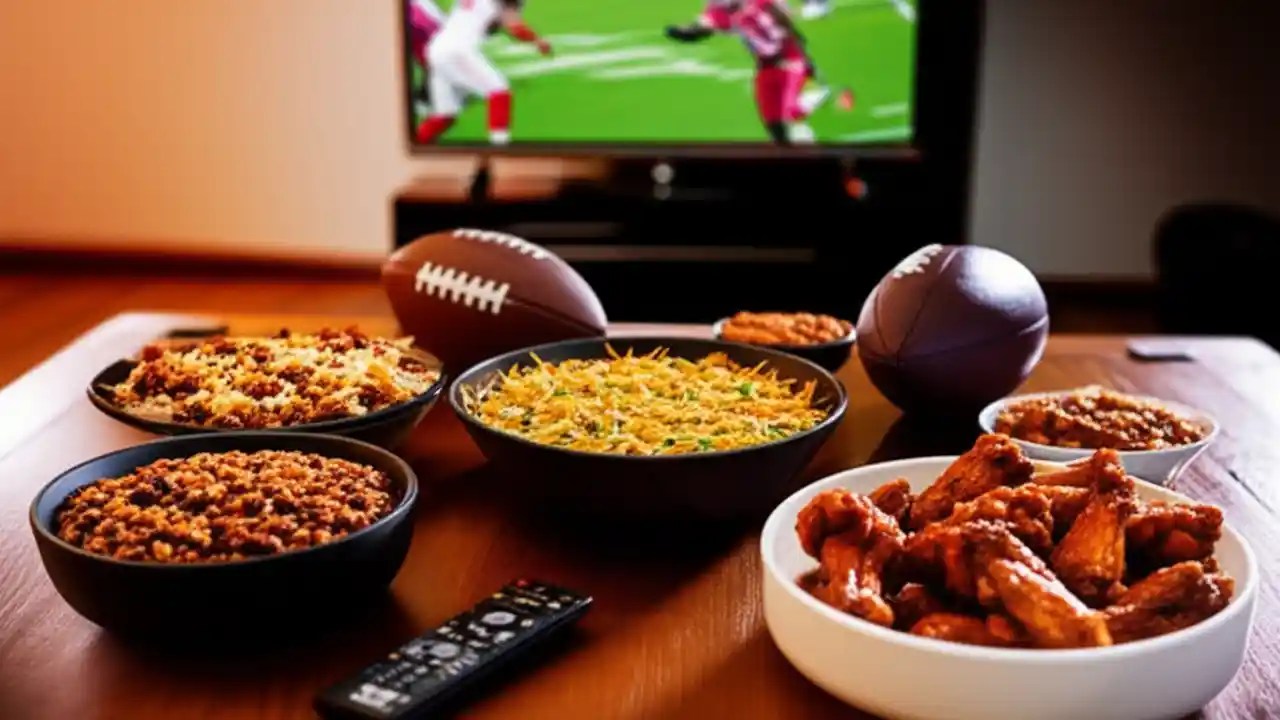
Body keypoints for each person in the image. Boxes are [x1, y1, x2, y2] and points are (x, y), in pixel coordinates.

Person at [416, 0, 552, 146]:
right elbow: (515, 27)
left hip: (437, 49)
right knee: (499, 92)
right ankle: (500, 147)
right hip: (457, 51)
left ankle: (414, 143)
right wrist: (538, 41)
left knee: (445, 116)